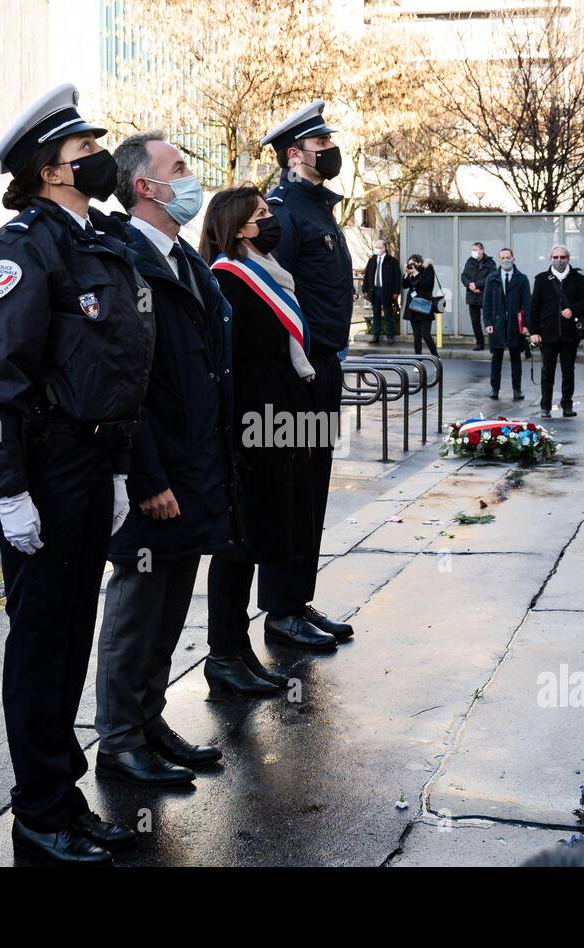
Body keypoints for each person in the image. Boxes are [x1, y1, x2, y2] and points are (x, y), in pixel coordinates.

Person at [0, 84, 154, 866]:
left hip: (85, 463)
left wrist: (112, 470)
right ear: (50, 170)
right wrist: (8, 491)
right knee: (41, 646)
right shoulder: (22, 249)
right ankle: (38, 810)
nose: (99, 160)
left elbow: (113, 367)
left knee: (71, 636)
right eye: (85, 153)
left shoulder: (89, 241)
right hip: (41, 469)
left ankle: (62, 794)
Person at [92, 132, 234, 787]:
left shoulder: (183, 261)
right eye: (178, 168)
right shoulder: (122, 262)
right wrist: (147, 476)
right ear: (145, 187)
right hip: (154, 474)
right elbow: (125, 383)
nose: (190, 178)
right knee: (136, 606)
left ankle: (149, 722)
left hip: (194, 466)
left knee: (173, 603)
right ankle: (119, 740)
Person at [203, 185, 313, 694]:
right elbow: (234, 366)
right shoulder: (230, 279)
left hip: (276, 425)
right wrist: (244, 437)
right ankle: (224, 653)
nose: (273, 223)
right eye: (262, 215)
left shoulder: (268, 274)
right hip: (251, 430)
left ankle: (238, 648)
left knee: (257, 540)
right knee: (237, 544)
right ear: (238, 226)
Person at [257, 99, 354, 648]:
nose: (331, 152)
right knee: (290, 487)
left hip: (323, 368)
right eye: (321, 147)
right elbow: (277, 292)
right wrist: (296, 365)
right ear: (295, 155)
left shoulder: (318, 206)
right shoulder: (283, 211)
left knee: (313, 485)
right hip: (297, 374)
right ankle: (279, 610)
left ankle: (298, 598)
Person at [527, 245, 584, 418]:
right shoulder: (542, 279)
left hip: (570, 335)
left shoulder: (578, 279)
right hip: (547, 335)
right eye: (555, 257)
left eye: (562, 257)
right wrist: (533, 331)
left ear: (568, 259)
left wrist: (573, 310)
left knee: (568, 371)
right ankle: (545, 407)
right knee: (547, 372)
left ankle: (567, 405)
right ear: (550, 259)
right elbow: (533, 308)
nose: (559, 260)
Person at [483, 247, 530, 401]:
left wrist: (526, 324)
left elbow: (527, 303)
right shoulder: (492, 278)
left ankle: (517, 389)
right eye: (502, 258)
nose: (505, 260)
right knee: (496, 358)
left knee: (516, 358)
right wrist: (488, 322)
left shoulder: (522, 279)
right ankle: (494, 388)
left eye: (508, 257)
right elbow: (487, 302)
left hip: (515, 325)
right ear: (499, 260)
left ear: (513, 258)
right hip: (496, 324)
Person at [360, 238, 401, 345]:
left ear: (384, 248)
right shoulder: (372, 260)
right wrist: (365, 290)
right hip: (374, 290)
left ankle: (390, 336)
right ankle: (375, 335)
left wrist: (396, 292)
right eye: (376, 247)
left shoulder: (392, 261)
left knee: (388, 313)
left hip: (386, 291)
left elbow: (397, 277)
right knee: (376, 313)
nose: (376, 249)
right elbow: (367, 276)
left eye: (379, 248)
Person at [401, 254, 439, 358]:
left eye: (413, 263)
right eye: (410, 264)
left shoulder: (428, 269)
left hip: (424, 307)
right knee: (416, 336)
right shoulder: (411, 271)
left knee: (426, 335)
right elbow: (404, 285)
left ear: (419, 262)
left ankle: (436, 357)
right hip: (413, 307)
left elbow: (427, 285)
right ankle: (418, 361)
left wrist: (416, 273)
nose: (412, 266)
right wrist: (406, 273)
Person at [460, 241, 494, 350]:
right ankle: (480, 343)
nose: (473, 252)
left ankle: (494, 342)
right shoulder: (470, 261)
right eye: (472, 250)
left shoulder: (490, 262)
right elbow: (464, 275)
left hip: (485, 295)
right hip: (472, 296)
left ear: (482, 250)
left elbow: (491, 277)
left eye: (475, 250)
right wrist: (469, 285)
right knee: (475, 321)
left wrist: (477, 285)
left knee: (489, 320)